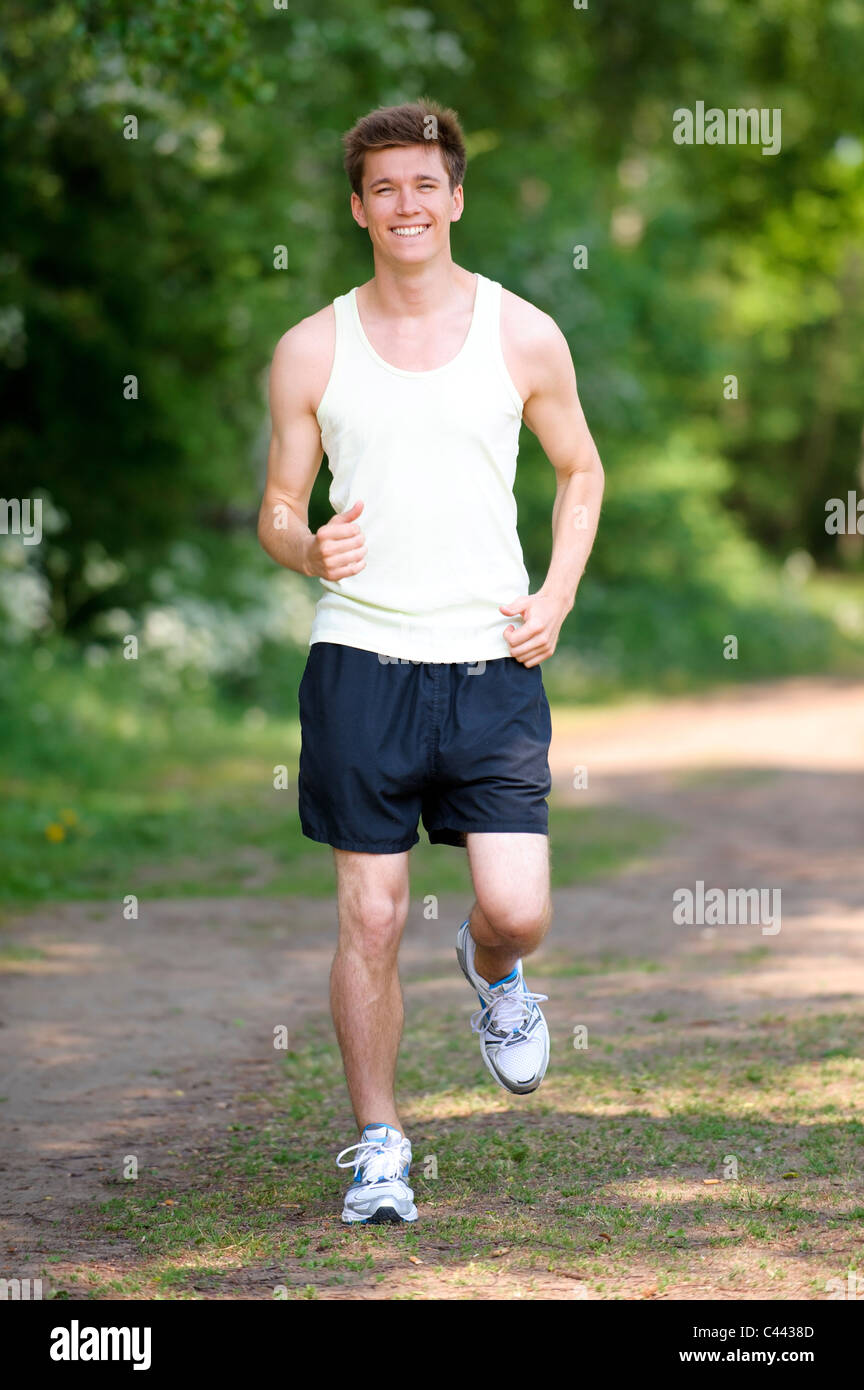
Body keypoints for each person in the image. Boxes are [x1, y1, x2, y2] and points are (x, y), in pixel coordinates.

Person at [258, 98, 604, 1224]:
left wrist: (555, 594)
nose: (407, 204)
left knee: (517, 905)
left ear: (455, 198)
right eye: (384, 188)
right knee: (368, 912)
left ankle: (493, 971)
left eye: (425, 184)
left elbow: (581, 471)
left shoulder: (523, 333)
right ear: (358, 208)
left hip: (490, 661)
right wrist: (305, 544)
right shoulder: (312, 348)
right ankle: (379, 1143)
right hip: (361, 655)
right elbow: (274, 507)